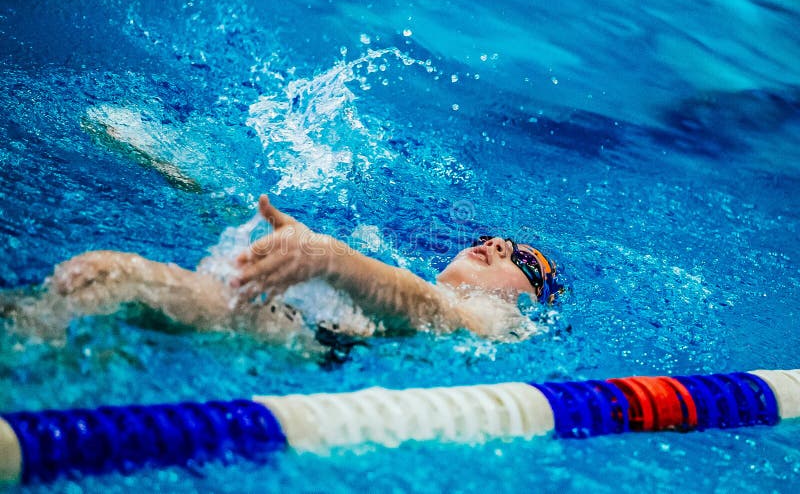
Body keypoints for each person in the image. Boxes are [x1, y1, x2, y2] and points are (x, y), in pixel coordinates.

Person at [2, 195, 563, 349]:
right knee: (99, 279)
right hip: (297, 324)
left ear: (533, 299)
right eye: (491, 239)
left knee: (106, 277)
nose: (496, 244)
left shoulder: (502, 322)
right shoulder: (391, 264)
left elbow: (428, 309)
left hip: (308, 342)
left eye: (522, 258)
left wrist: (327, 257)